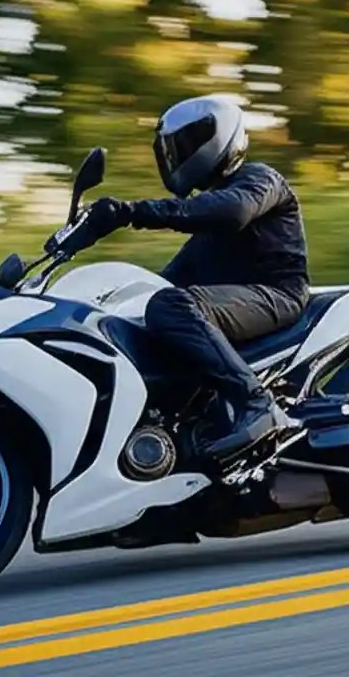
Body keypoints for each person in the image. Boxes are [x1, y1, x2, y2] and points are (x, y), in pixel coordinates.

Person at [80, 95, 310, 460]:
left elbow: (232, 212)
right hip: (242, 298)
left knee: (169, 306)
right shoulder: (206, 222)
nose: (177, 155)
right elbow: (165, 281)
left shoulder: (259, 180)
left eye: (185, 145)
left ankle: (258, 405)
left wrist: (131, 212)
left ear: (216, 139)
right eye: (174, 148)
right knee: (148, 312)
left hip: (277, 294)